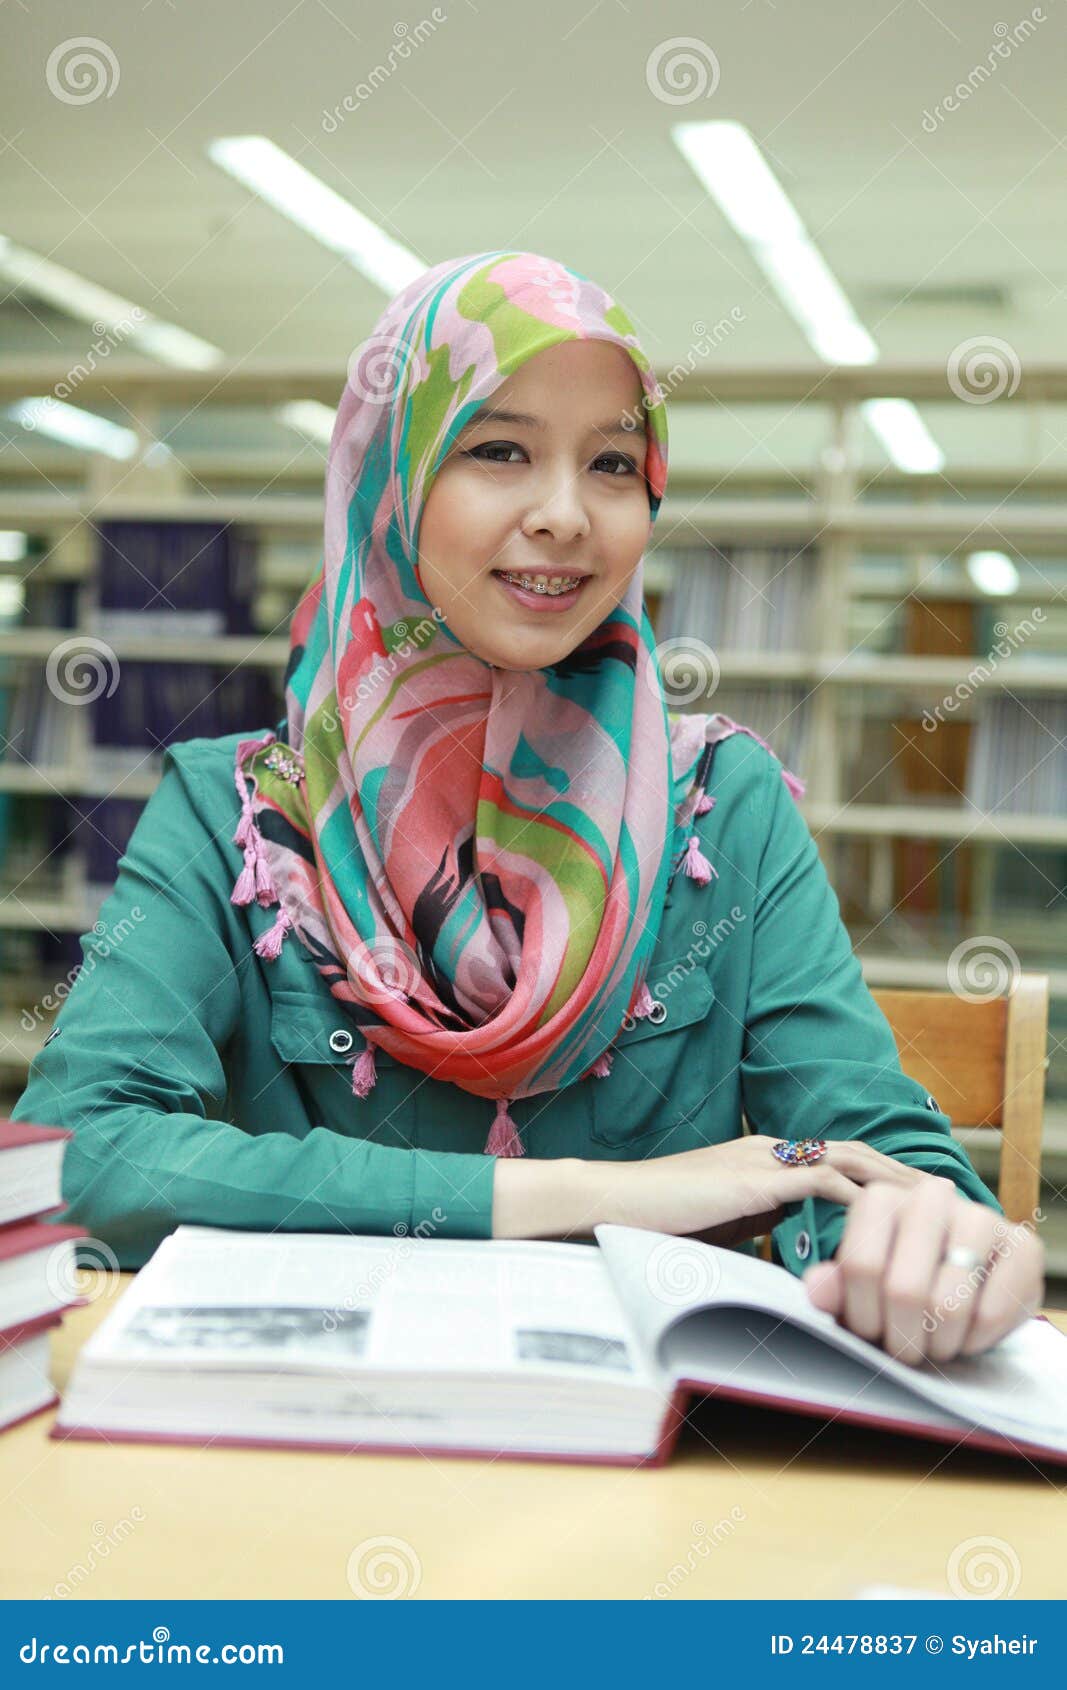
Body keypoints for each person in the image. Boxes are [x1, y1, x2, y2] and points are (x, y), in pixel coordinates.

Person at [11, 250, 1044, 1370]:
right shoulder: (242, 817)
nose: (564, 515)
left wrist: (940, 1243)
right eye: (498, 449)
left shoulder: (722, 805)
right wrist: (583, 1196)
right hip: (320, 1435)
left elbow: (873, 1155)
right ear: (391, 479)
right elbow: (77, 1160)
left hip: (658, 1452)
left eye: (612, 463)